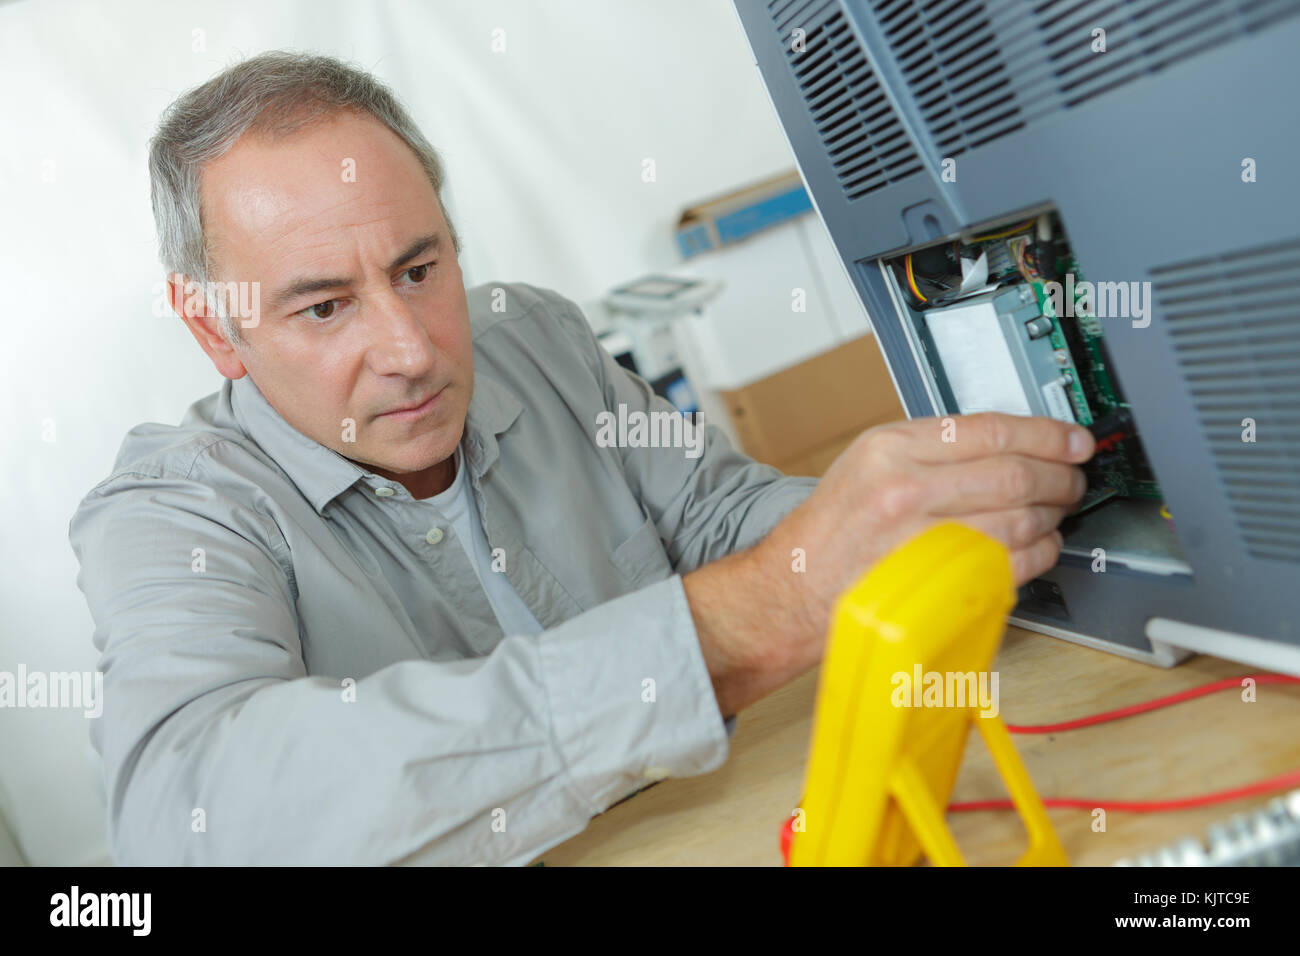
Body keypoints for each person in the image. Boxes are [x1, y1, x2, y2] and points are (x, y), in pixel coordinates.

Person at [68, 51, 1094, 865]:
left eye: (420, 268)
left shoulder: (537, 340)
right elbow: (189, 817)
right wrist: (751, 616)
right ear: (212, 330)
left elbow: (718, 514)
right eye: (324, 305)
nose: (413, 348)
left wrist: (913, 516)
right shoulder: (170, 514)